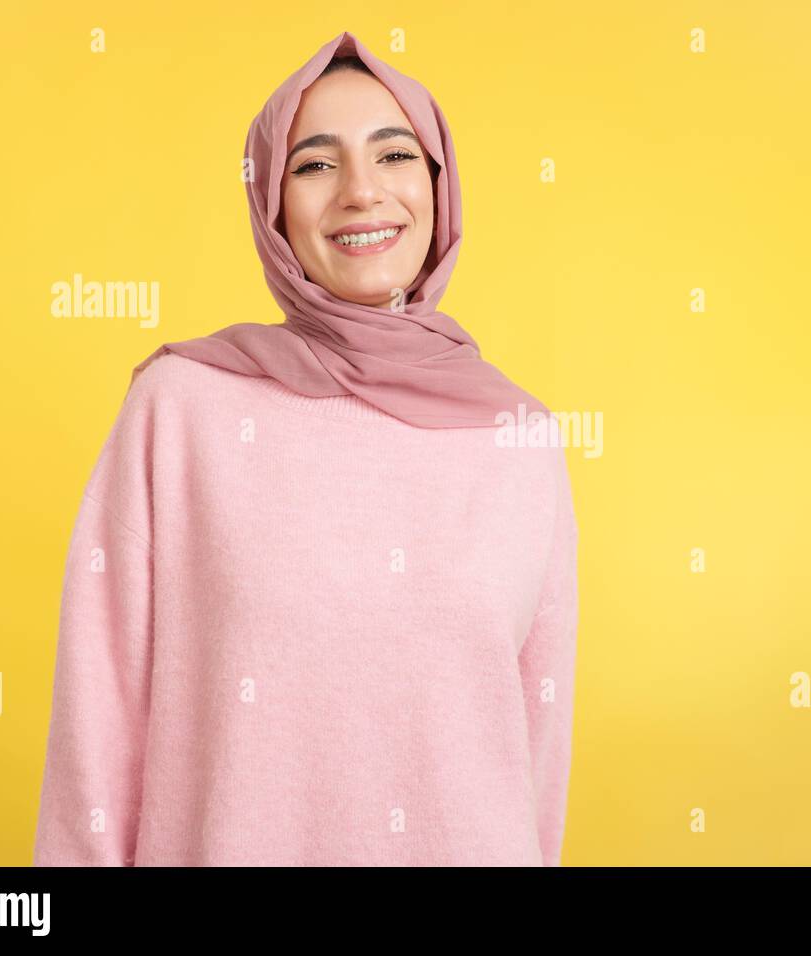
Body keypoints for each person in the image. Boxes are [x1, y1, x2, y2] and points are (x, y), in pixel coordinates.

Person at [33, 31, 579, 866]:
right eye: (315, 164)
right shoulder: (179, 408)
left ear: (439, 188)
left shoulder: (520, 437)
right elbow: (98, 724)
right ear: (271, 204)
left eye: (395, 155)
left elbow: (537, 749)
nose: (362, 192)